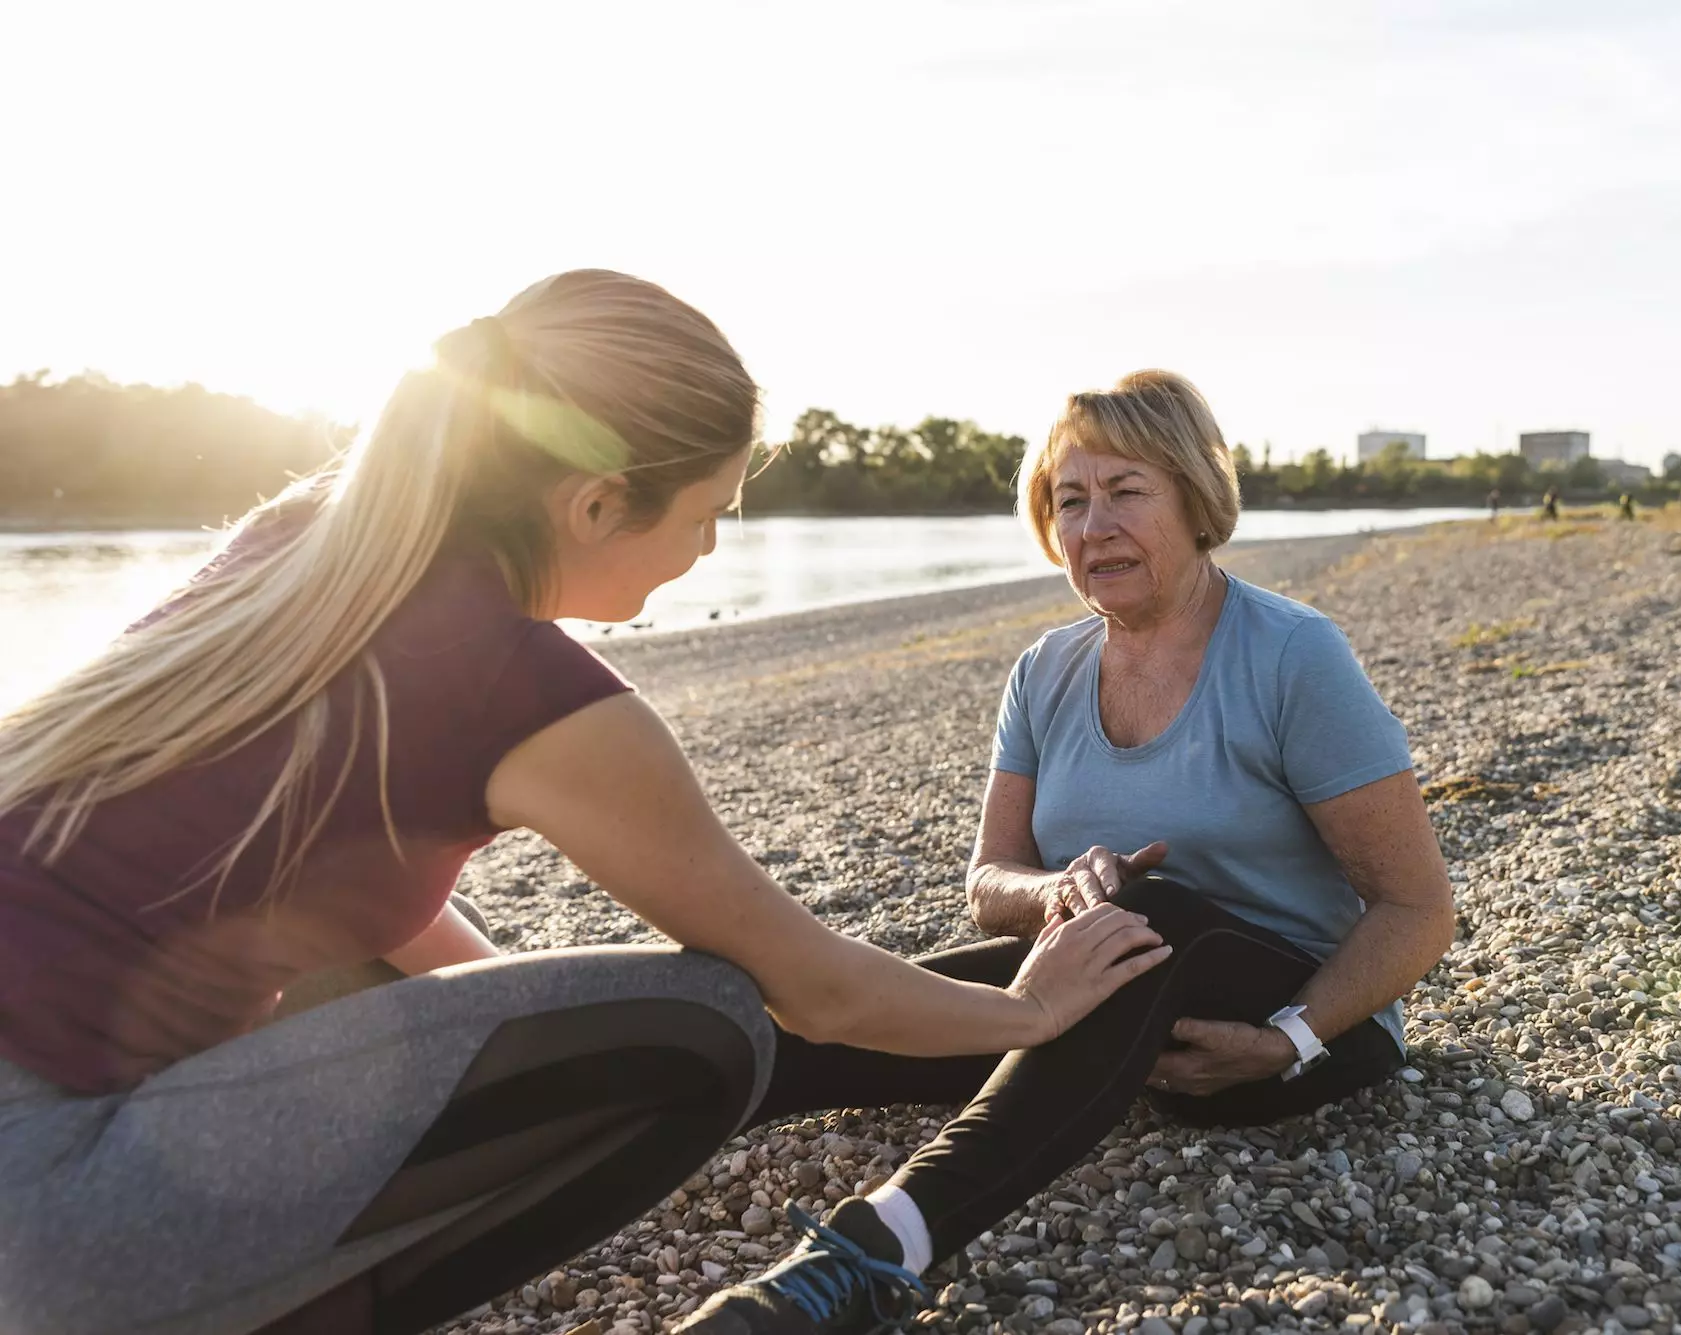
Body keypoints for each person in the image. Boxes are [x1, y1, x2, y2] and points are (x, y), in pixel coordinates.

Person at [0, 271, 1170, 1335]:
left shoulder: (303, 552)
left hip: (50, 1156)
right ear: (599, 505)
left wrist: (513, 1040)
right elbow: (806, 982)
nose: (711, 547)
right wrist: (1033, 1014)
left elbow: (343, 889)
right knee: (700, 1024)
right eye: (708, 511)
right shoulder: (521, 685)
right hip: (42, 1211)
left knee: (362, 969)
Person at [683, 372, 1456, 1334]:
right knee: (852, 1021)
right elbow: (988, 882)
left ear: (1194, 495)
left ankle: (878, 1250)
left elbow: (1419, 908)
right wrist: (1058, 885)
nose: (1094, 526)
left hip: (1297, 1024)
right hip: (1104, 999)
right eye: (1069, 500)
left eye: (1126, 491)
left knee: (1149, 916)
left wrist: (1287, 1040)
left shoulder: (1294, 656)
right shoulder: (1043, 670)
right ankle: (614, 1123)